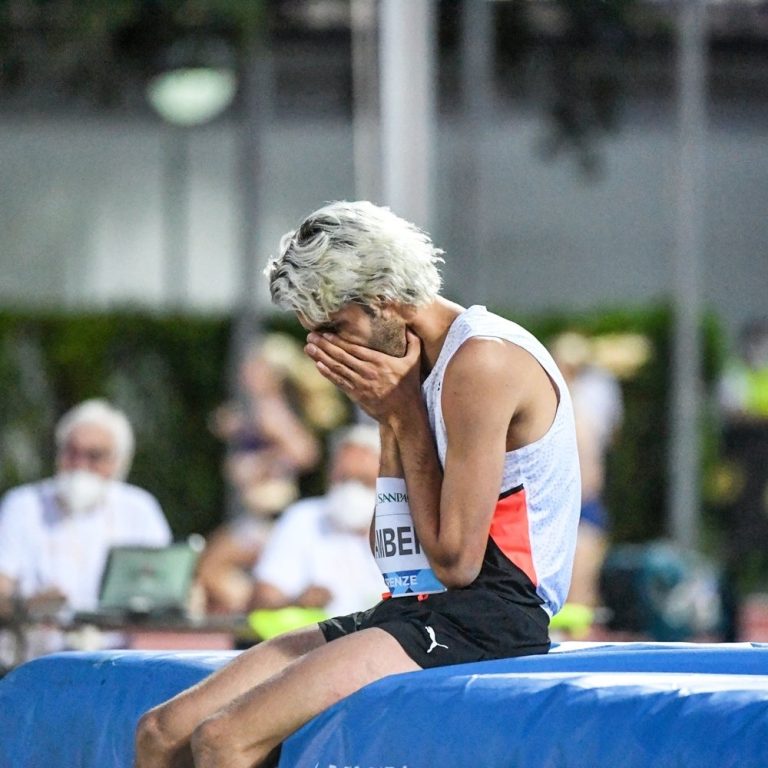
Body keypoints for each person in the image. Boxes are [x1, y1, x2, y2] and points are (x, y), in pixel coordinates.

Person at [134, 200, 581, 768]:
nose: (327, 351)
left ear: (386, 298)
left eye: (335, 329)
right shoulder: (408, 367)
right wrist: (391, 423)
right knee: (160, 731)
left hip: (492, 616)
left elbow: (456, 563)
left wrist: (404, 417)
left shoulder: (481, 362)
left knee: (224, 739)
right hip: (416, 605)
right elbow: (396, 561)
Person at [0, 398, 172, 663]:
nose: (80, 464)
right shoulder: (24, 505)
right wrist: (29, 605)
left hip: (119, 661)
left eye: (94, 455)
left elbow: (169, 587)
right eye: (71, 452)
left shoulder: (139, 508)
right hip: (34, 662)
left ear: (118, 461)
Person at [200, 333, 346, 614]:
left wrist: (264, 464)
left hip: (269, 517)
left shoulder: (271, 409)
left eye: (255, 366)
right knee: (216, 570)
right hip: (256, 514)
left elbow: (305, 452)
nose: (246, 371)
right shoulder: (259, 409)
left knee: (210, 566)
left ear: (270, 374)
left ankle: (250, 612)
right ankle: (253, 610)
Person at [250, 423, 384, 620]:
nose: (351, 491)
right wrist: (299, 603)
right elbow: (263, 600)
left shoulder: (406, 525)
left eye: (364, 481)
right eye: (344, 479)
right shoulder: (304, 518)